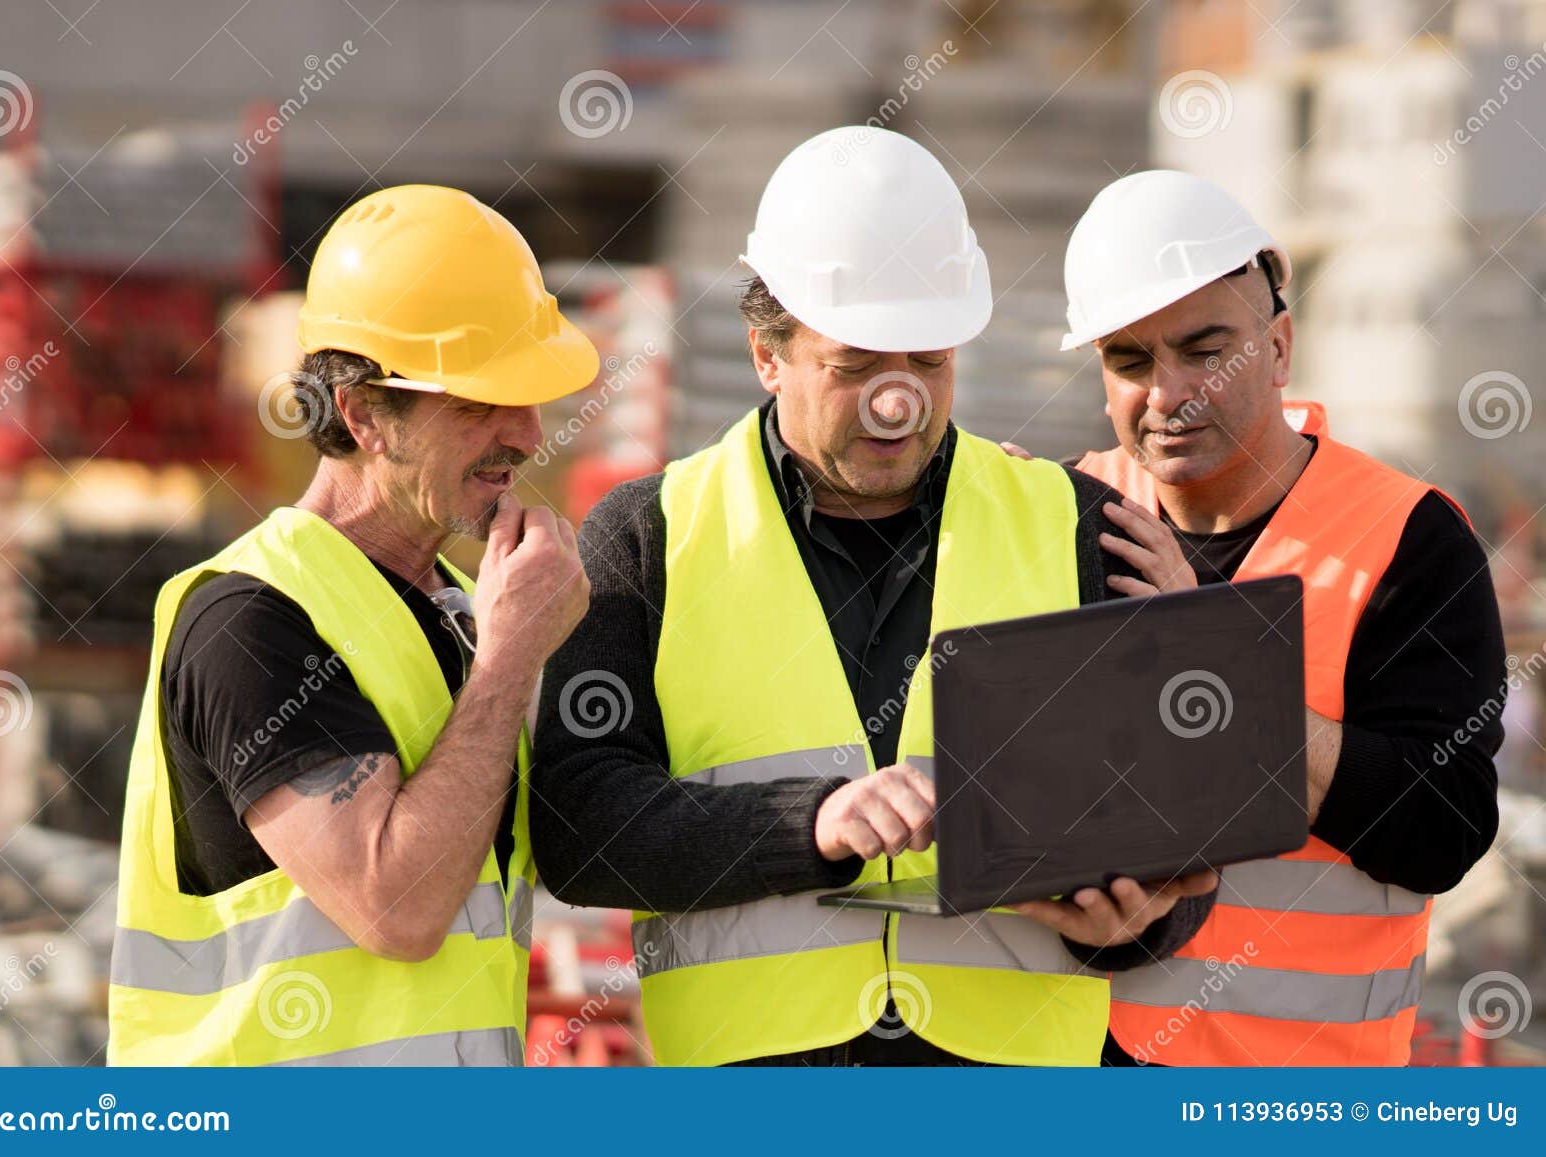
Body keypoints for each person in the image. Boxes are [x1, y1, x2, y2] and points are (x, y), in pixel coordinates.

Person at [530, 127, 1216, 1068]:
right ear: (767, 353)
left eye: (927, 363)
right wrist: (807, 823)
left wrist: (1134, 924)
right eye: (856, 366)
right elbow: (578, 826)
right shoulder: (648, 533)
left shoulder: (1080, 528)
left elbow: (1186, 819)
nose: (899, 403)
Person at [108, 185, 595, 1066]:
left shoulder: (461, 607)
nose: (526, 435)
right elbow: (394, 907)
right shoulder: (249, 619)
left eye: (529, 400)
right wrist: (515, 654)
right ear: (364, 411)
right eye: (479, 404)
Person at [1054, 169, 1505, 1065]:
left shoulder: (1404, 539)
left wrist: (1213, 664)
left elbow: (1440, 830)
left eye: (1206, 349)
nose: (1168, 392)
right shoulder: (1068, 510)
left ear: (1279, 345)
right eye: (1130, 361)